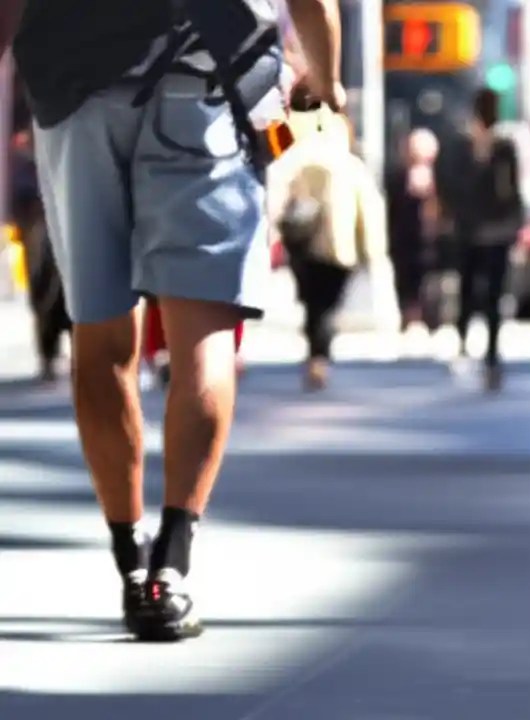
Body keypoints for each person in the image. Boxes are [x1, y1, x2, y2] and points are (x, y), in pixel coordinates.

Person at [3, 0, 345, 641]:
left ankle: (130, 559)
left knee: (101, 335)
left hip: (74, 88)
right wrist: (326, 76)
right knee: (204, 343)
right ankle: (172, 566)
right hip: (206, 82)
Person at [268, 104, 387, 391]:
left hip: (304, 246)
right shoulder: (350, 165)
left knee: (312, 305)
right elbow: (368, 211)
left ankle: (315, 355)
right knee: (328, 307)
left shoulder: (300, 160)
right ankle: (320, 356)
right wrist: (372, 252)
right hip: (339, 250)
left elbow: (280, 199)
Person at [438, 87, 524, 392]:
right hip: (469, 230)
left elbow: (512, 188)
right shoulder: (461, 143)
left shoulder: (505, 146)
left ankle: (491, 351)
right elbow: (448, 183)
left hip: (497, 231)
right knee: (467, 288)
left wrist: (515, 223)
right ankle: (462, 341)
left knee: (494, 295)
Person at [9, 121, 71, 383]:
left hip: (68, 199)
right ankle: (48, 352)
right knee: (44, 283)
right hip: (36, 208)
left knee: (74, 281)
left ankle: (79, 347)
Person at [387, 128, 445, 336]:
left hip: (433, 242)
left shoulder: (441, 178)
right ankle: (408, 316)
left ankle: (431, 319)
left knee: (432, 282)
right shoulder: (396, 178)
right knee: (405, 280)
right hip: (404, 240)